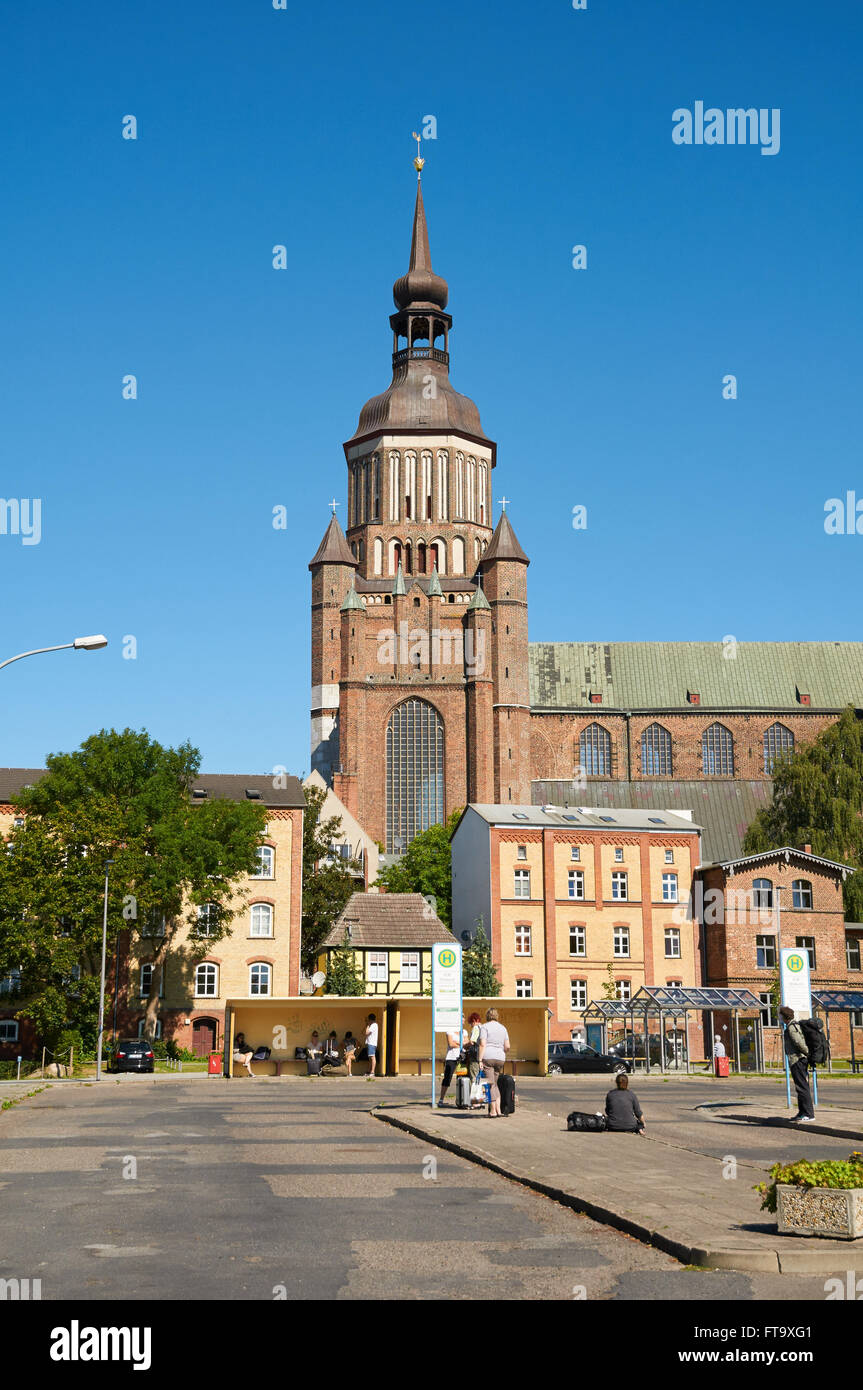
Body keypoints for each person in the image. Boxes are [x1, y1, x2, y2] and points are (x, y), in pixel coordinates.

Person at [779, 1006, 815, 1121]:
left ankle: (809, 1114)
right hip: (798, 1060)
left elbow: (798, 1042)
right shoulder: (794, 1025)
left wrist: (807, 1053)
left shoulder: (791, 1027)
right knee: (800, 1087)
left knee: (802, 1087)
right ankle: (801, 1112)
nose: (779, 1018)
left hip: (798, 1060)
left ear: (784, 1017)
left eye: (780, 1016)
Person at [478, 1008, 510, 1117]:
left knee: (490, 1084)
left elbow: (482, 1044)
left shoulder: (484, 1027)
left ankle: (492, 1111)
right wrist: (500, 1051)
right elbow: (507, 1047)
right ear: (497, 1016)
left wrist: (480, 1059)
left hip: (488, 1057)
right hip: (500, 1058)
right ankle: (499, 1111)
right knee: (495, 1084)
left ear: (487, 1016)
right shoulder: (503, 1028)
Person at [438, 1017, 468, 1107]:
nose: (463, 1022)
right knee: (447, 1078)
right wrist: (462, 1043)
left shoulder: (464, 1032)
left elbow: (467, 1043)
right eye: (461, 1021)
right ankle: (441, 1099)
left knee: (462, 1078)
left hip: (462, 1056)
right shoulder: (449, 1030)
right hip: (451, 1057)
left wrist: (458, 1043)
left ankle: (461, 1099)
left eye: (464, 1021)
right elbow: (451, 1044)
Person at [466, 1012, 483, 1108]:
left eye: (471, 1023)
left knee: (474, 1078)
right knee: (481, 1080)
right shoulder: (484, 1027)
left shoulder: (476, 1028)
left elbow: (472, 1041)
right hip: (483, 1056)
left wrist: (464, 1045)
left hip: (475, 1057)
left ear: (474, 1021)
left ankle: (475, 1102)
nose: (471, 1025)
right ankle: (481, 1101)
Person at [365, 1013, 379, 1077]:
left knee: (372, 1057)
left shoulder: (374, 1025)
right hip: (370, 1043)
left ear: (370, 1019)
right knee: (370, 1058)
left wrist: (367, 1025)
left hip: (372, 1043)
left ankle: (372, 1072)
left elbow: (366, 1033)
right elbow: (363, 1032)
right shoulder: (372, 1025)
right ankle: (369, 1071)